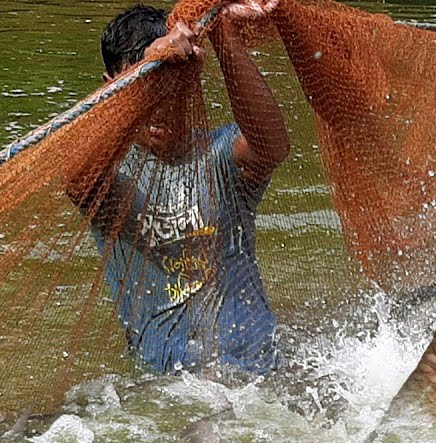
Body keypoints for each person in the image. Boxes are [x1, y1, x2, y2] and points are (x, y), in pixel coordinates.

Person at [69, 1, 290, 375]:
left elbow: (273, 147)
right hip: (169, 384)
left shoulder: (222, 154)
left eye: (167, 85)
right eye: (143, 87)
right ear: (112, 87)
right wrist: (149, 70)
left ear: (190, 77)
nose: (157, 106)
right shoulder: (107, 173)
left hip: (260, 371)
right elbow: (75, 177)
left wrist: (225, 35)